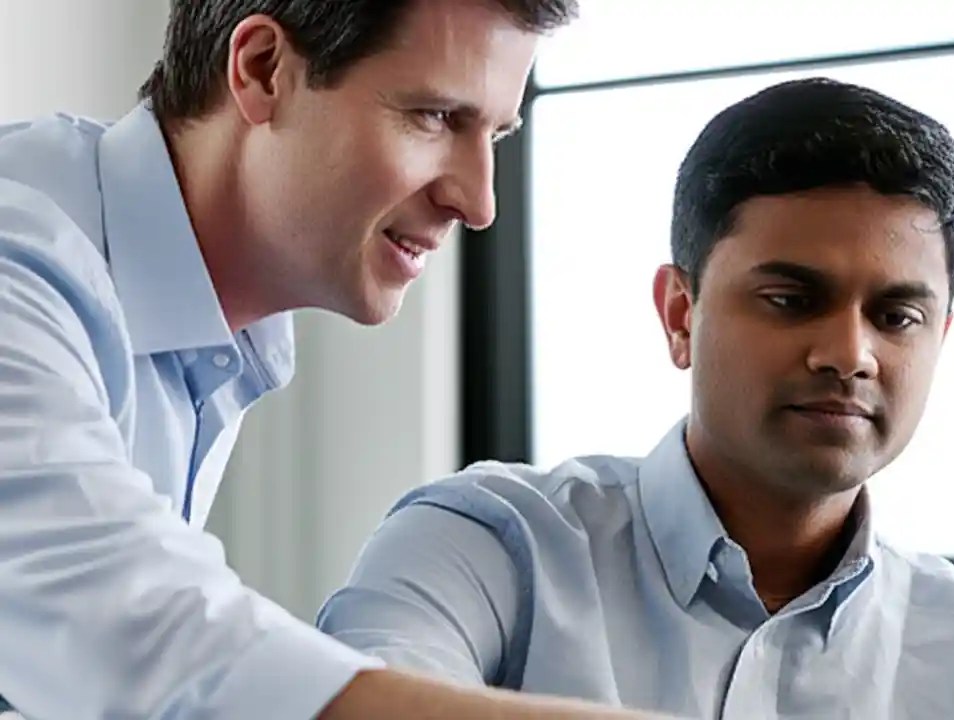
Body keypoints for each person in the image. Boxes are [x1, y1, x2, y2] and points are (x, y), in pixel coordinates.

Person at [317, 77, 954, 718]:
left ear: (939, 341)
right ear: (680, 314)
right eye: (790, 298)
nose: (849, 354)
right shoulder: (489, 543)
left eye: (896, 316)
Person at [0, 1, 659, 718]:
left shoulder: (210, 334)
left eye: (496, 134)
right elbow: (145, 647)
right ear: (263, 70)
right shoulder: (21, 258)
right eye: (436, 117)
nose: (477, 201)